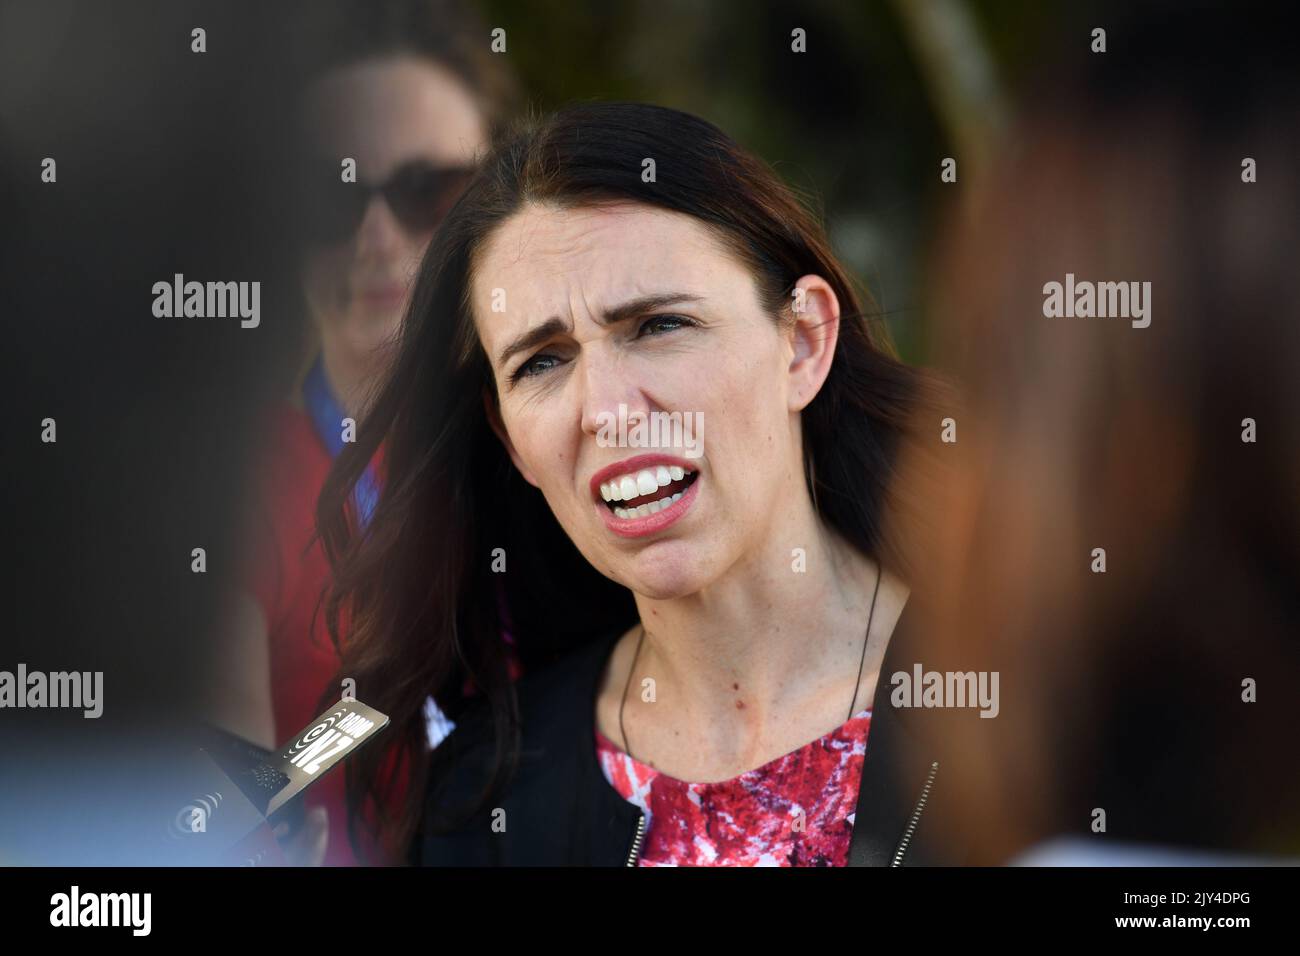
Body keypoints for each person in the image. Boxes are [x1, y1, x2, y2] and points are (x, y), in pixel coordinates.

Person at [318, 101, 953, 866]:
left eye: (658, 325)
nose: (610, 413)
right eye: (542, 362)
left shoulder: (1059, 690)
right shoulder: (482, 808)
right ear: (510, 438)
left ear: (803, 344)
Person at [224, 0, 518, 866]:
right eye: (329, 197)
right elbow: (233, 802)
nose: (379, 237)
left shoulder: (572, 433)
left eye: (433, 191)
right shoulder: (236, 483)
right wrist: (372, 707)